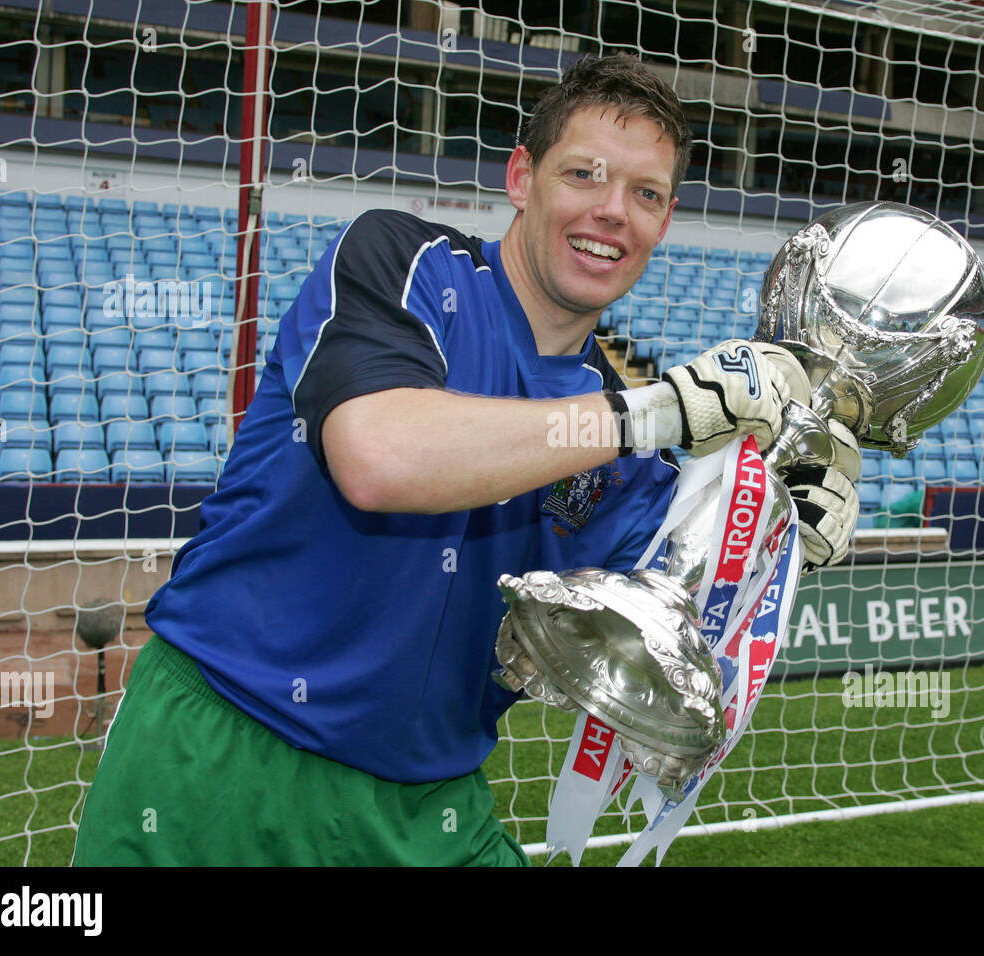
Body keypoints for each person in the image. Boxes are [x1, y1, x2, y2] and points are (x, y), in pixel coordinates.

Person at [72, 54, 858, 866]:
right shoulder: (403, 264)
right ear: (522, 177)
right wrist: (655, 411)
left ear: (665, 221)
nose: (612, 211)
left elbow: (679, 617)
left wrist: (784, 525)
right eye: (584, 174)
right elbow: (378, 460)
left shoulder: (626, 454)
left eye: (646, 194)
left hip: (427, 806)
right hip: (225, 755)